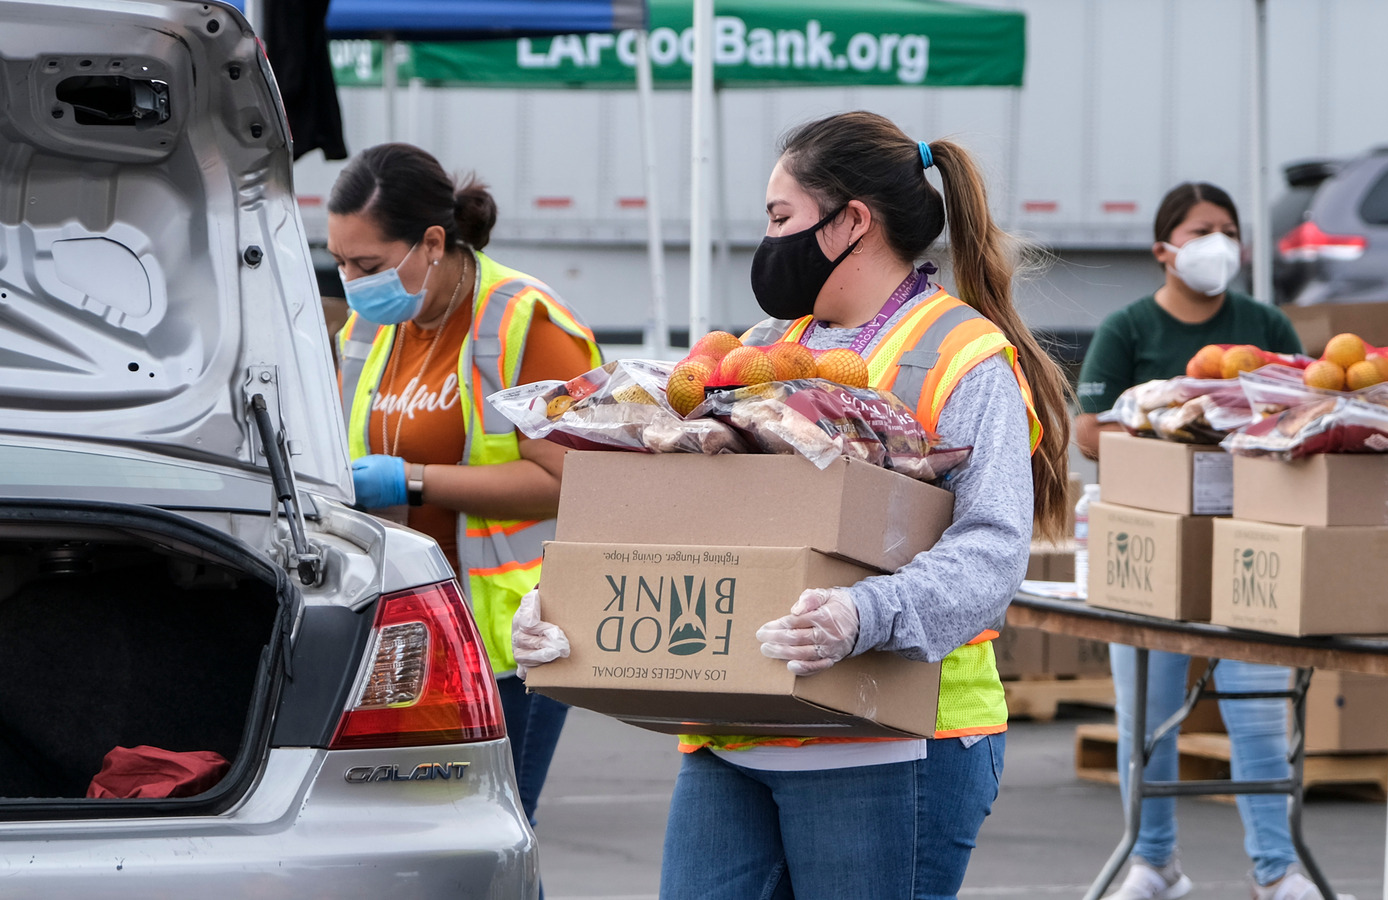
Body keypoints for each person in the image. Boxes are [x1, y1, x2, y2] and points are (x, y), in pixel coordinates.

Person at [513, 111, 1073, 899]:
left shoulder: (962, 356)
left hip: (893, 738)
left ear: (852, 222)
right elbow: (698, 512)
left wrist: (864, 615)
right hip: (738, 732)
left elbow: (992, 547)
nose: (768, 240)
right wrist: (569, 602)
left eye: (781, 219)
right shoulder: (762, 344)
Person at [327, 143, 601, 849]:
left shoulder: (524, 321)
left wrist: (412, 480)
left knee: (491, 840)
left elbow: (572, 482)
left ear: (433, 242)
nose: (350, 282)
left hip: (515, 634)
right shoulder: (369, 324)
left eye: (367, 264)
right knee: (414, 844)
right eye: (340, 262)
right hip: (401, 631)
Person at [1074, 183, 1335, 900]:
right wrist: (1173, 426)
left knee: (1258, 707)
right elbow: (1090, 432)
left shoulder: (1265, 325)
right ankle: (1153, 860)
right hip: (1154, 546)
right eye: (1201, 230)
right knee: (1148, 717)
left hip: (1249, 537)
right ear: (1164, 249)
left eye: (1228, 229)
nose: (1217, 243)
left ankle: (1275, 868)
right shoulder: (1129, 328)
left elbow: (1302, 416)